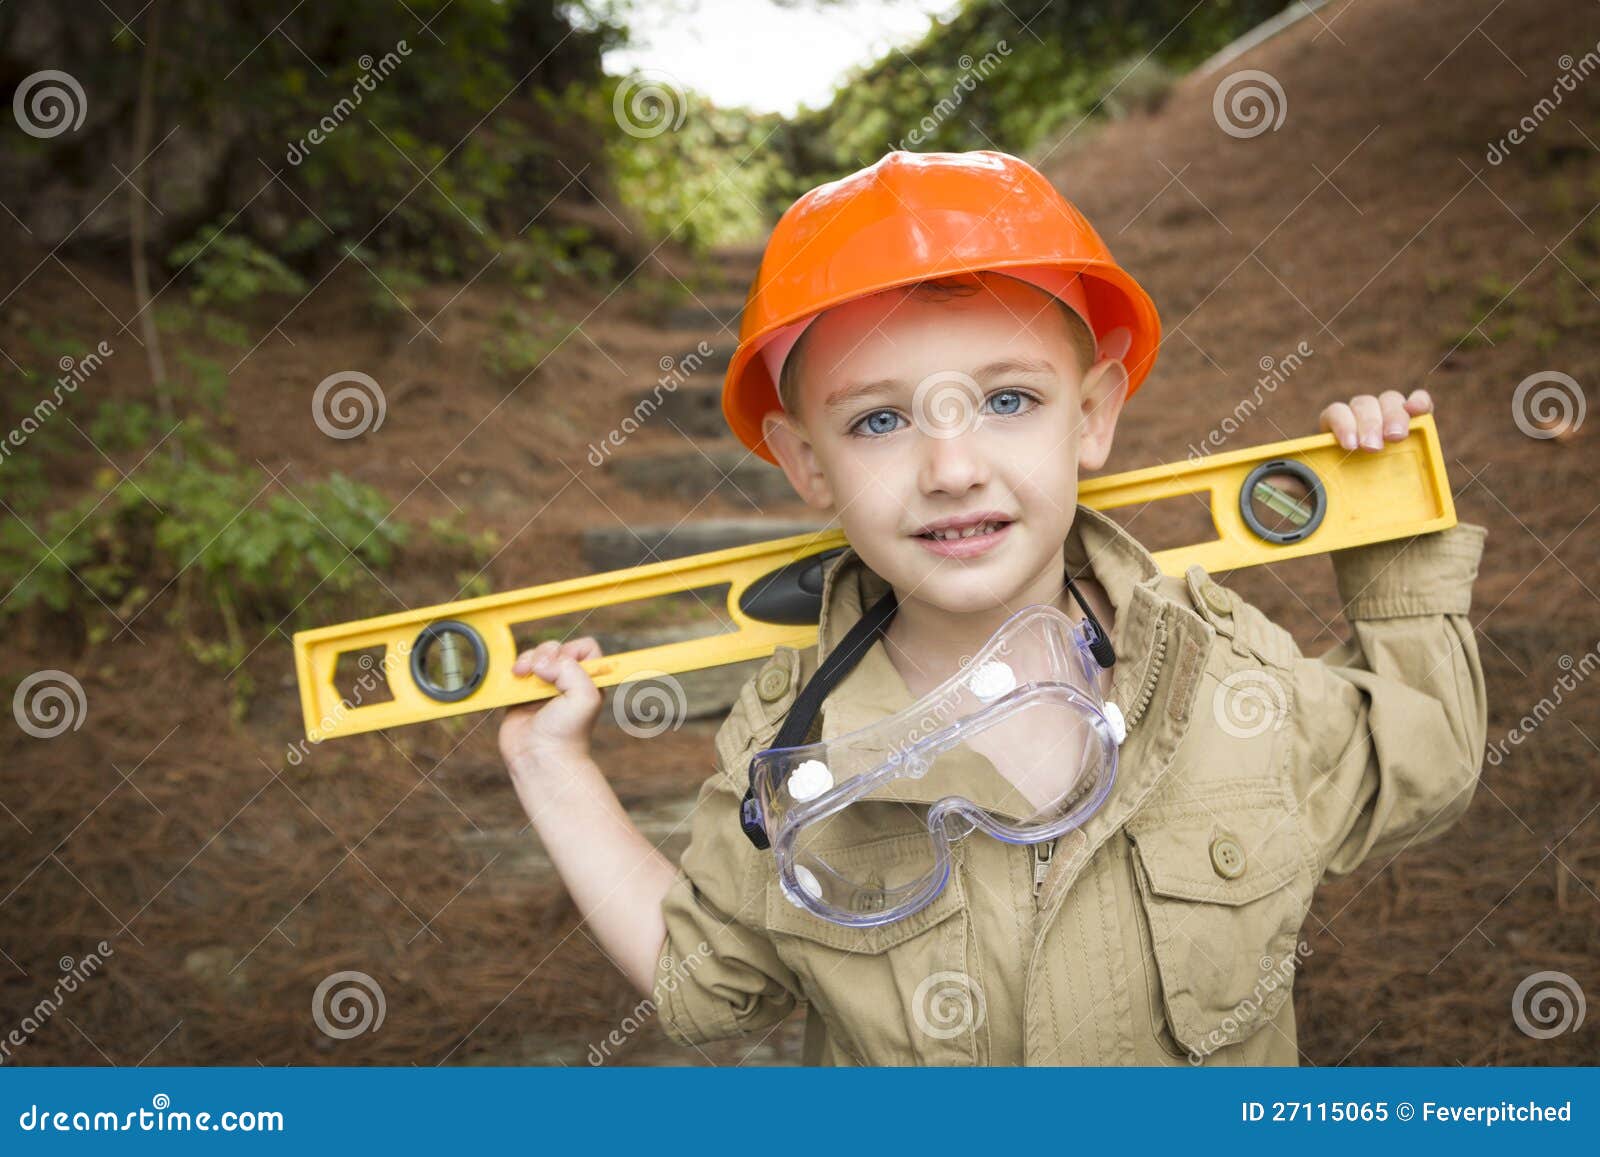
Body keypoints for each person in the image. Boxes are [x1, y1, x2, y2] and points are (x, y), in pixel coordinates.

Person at [497, 150, 1488, 1065]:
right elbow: (707, 988)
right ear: (806, 462)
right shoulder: (794, 753)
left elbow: (1423, 761)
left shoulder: (1213, 666)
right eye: (878, 420)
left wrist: (1391, 543)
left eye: (1007, 400)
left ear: (1090, 414)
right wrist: (553, 769)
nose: (952, 468)